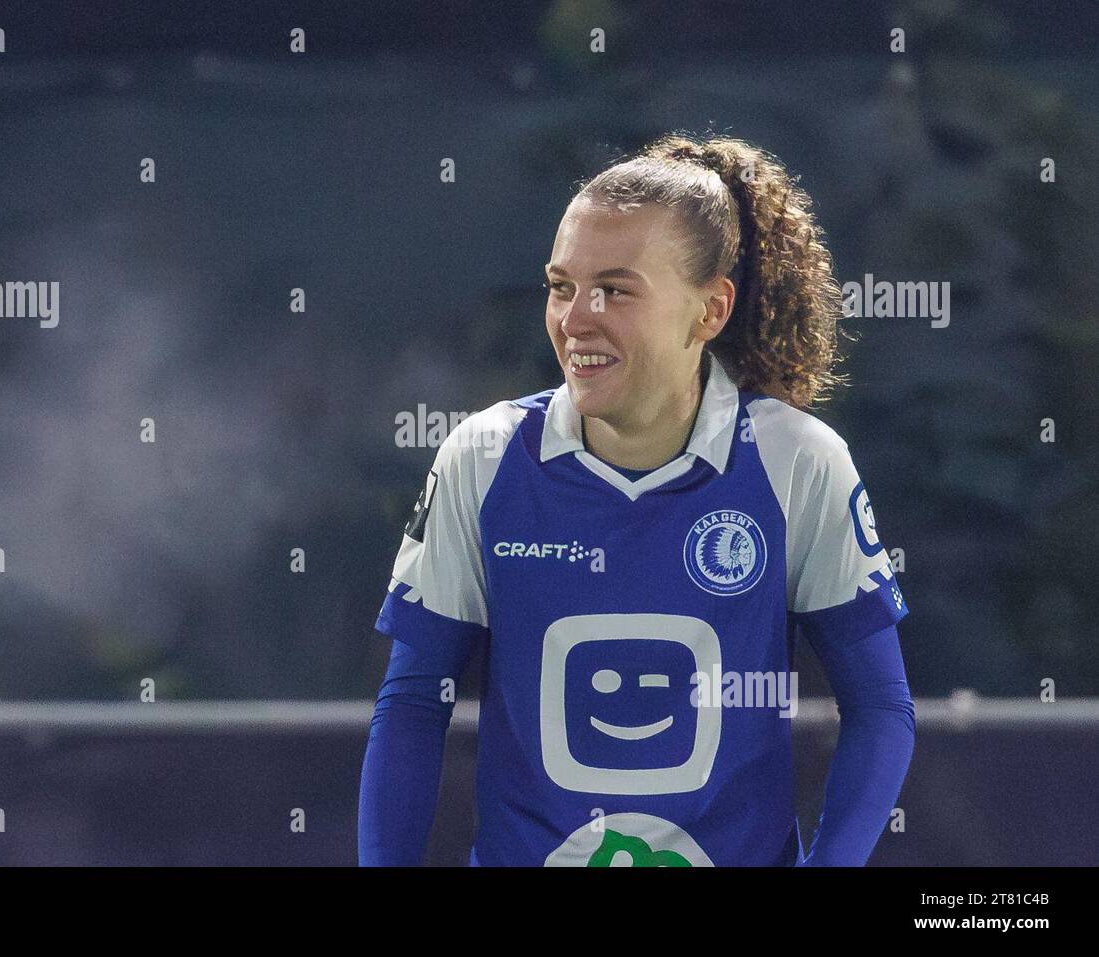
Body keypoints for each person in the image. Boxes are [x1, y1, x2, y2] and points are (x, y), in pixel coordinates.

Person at [359, 132, 915, 866]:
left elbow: (880, 711)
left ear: (709, 311)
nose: (576, 318)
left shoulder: (797, 462)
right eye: (561, 287)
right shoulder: (484, 457)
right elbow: (411, 705)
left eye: (615, 290)